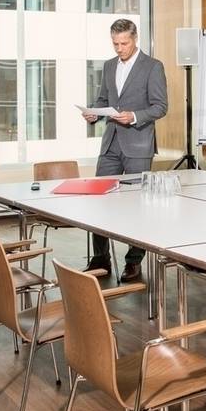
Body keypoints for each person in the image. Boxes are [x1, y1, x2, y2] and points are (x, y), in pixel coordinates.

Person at [82, 18, 168, 282]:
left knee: (136, 206)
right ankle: (100, 259)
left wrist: (133, 116)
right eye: (115, 43)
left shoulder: (153, 67)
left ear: (135, 38)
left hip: (138, 144)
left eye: (124, 43)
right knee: (98, 201)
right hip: (110, 144)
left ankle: (133, 261)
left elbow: (160, 107)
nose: (119, 48)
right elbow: (103, 99)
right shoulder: (109, 66)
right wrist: (94, 113)